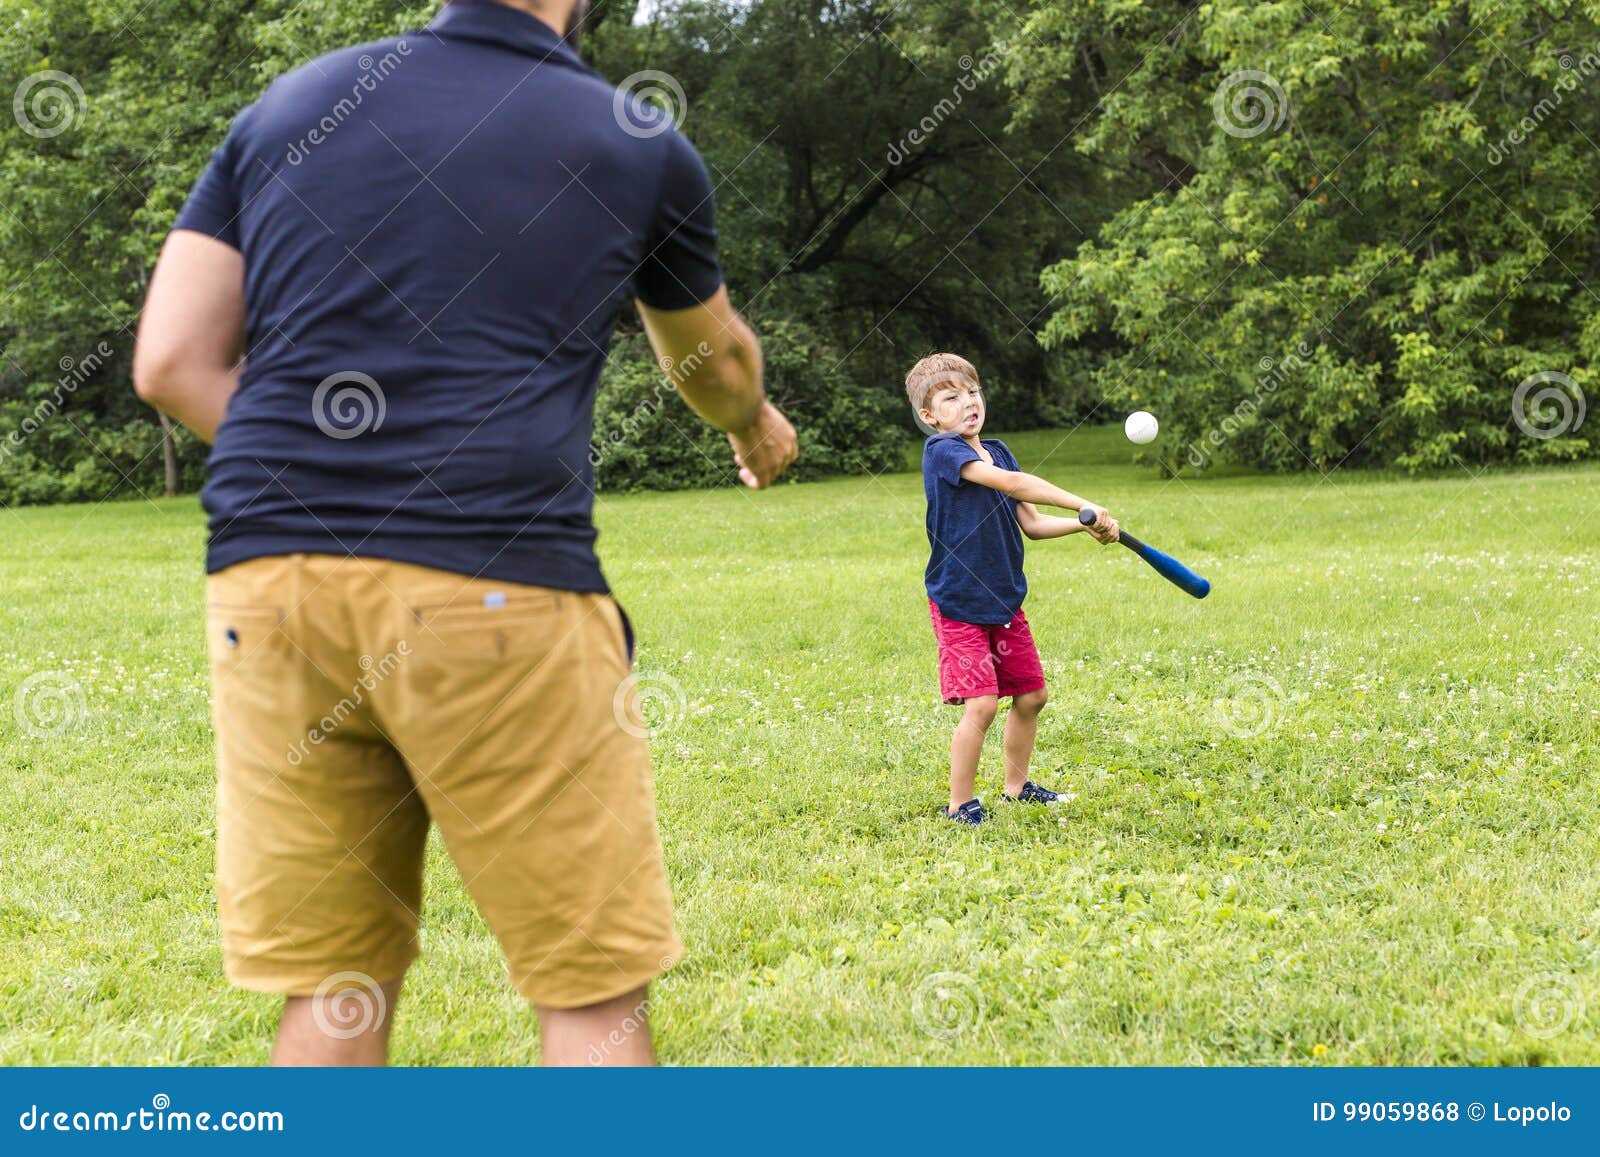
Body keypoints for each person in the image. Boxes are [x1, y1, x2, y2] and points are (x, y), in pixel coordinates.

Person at [132, 0, 796, 1066]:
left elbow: (169, 361)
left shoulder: (288, 106)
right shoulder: (629, 137)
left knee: (332, 986)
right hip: (494, 582)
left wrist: (318, 466)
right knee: (591, 996)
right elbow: (710, 361)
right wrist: (754, 422)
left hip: (270, 586)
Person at [905, 353, 1117, 825]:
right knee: (981, 703)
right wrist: (1084, 502)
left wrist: (1082, 526)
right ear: (930, 415)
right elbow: (1012, 484)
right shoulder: (943, 451)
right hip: (958, 601)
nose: (969, 403)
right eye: (952, 397)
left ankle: (1016, 789)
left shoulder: (998, 449)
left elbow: (1034, 524)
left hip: (1003, 599)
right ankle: (960, 805)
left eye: (974, 393)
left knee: (1032, 695)